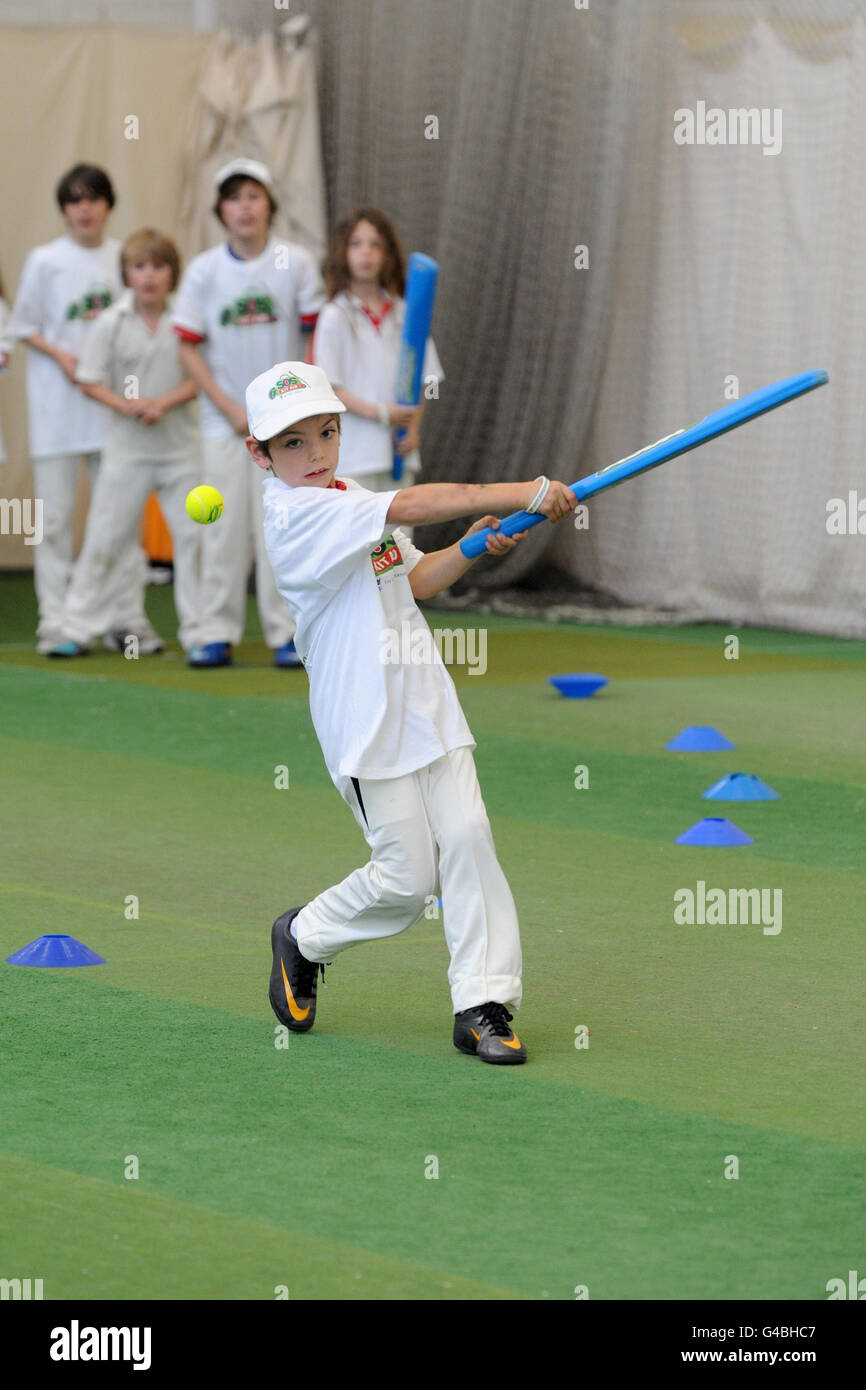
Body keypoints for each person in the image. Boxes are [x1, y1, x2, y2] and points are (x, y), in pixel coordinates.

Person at [245, 361, 578, 1065]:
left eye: (325, 434)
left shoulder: (347, 493)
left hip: (425, 701)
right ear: (261, 454)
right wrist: (534, 490)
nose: (315, 454)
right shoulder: (296, 515)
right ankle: (304, 935)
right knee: (406, 881)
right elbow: (421, 503)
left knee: (469, 837)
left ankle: (483, 1003)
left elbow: (415, 577)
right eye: (293, 444)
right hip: (363, 720)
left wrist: (471, 546)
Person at [172, 157, 326, 668]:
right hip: (224, 423)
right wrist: (228, 406)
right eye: (234, 197)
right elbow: (189, 348)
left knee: (281, 527)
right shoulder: (202, 271)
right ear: (221, 209)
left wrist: (292, 409)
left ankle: (287, 634)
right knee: (220, 524)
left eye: (254, 196)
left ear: (269, 206)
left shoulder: (296, 262)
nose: (245, 207)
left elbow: (313, 336)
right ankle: (214, 632)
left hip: (286, 429)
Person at [9, 163, 160, 654]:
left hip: (112, 412)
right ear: (64, 210)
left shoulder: (125, 258)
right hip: (56, 412)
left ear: (108, 205)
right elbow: (22, 326)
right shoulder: (45, 260)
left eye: (93, 198)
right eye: (74, 200)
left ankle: (125, 621)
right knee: (52, 521)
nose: (85, 208)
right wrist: (64, 356)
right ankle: (56, 622)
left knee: (118, 521)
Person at [48, 230, 201, 657]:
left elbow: (204, 377)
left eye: (158, 266)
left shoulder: (188, 320)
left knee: (196, 537)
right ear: (126, 274)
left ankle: (202, 634)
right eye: (139, 267)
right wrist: (127, 405)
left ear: (173, 273)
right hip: (127, 451)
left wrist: (163, 403)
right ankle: (74, 629)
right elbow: (88, 379)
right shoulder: (110, 323)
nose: (148, 276)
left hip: (181, 451)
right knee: (105, 539)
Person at [312, 207, 443, 508]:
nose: (366, 253)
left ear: (387, 255)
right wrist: (383, 413)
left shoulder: (405, 313)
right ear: (343, 252)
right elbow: (331, 388)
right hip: (354, 456)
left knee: (399, 547)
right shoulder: (334, 315)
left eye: (375, 244)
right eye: (356, 244)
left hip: (399, 455)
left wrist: (412, 427)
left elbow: (426, 377)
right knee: (361, 547)